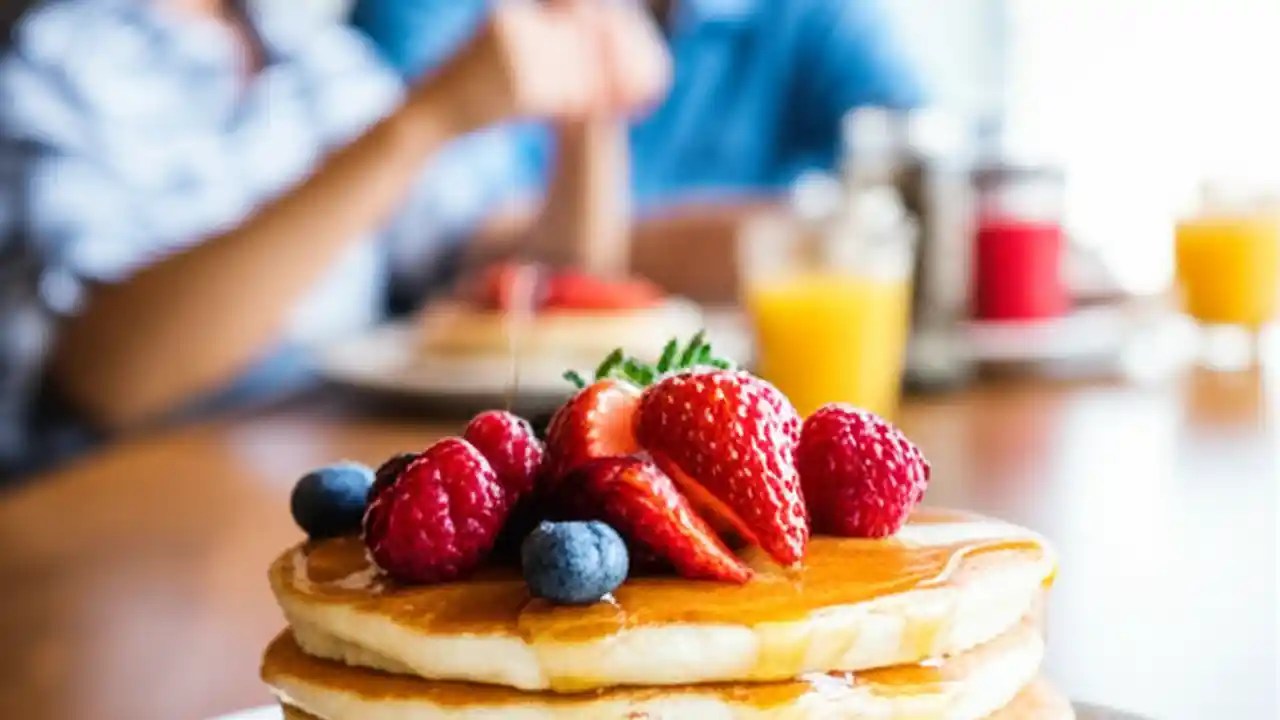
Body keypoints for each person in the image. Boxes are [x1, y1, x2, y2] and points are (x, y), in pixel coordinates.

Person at [0, 0, 669, 475]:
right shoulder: (53, 58)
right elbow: (110, 377)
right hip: (116, 519)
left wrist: (586, 104)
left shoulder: (315, 54)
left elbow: (542, 280)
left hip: (309, 474)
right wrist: (424, 121)